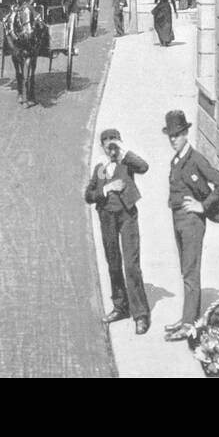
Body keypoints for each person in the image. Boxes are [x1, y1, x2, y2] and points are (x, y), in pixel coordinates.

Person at [162, 110, 219, 340]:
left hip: (191, 222)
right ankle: (187, 317)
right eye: (171, 135)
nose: (174, 139)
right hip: (178, 219)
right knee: (186, 270)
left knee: (190, 273)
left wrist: (203, 205)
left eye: (178, 134)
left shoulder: (195, 158)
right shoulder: (177, 159)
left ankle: (189, 324)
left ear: (186, 133)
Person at [84, 128, 151, 335]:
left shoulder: (126, 161)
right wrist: (106, 190)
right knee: (113, 263)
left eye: (115, 143)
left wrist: (124, 150)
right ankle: (120, 307)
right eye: (107, 144)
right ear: (102, 146)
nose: (111, 148)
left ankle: (140, 314)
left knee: (131, 265)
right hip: (107, 217)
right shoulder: (99, 167)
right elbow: (88, 195)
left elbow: (144, 167)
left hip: (127, 216)